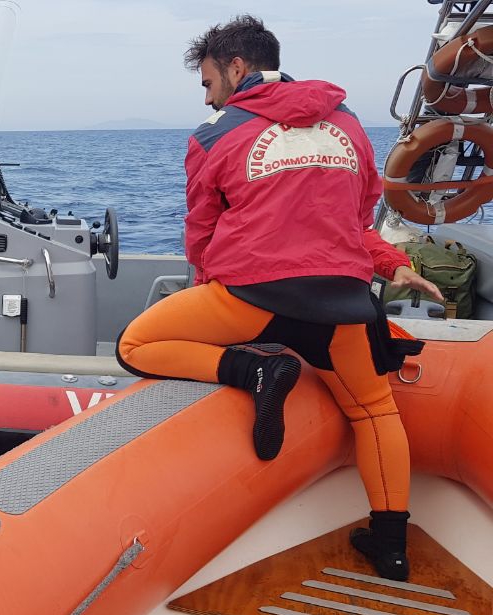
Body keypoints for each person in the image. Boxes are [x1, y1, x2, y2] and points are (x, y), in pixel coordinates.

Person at [115, 15, 442, 581]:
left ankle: (253, 372)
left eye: (208, 82)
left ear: (236, 67)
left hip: (249, 300)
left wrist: (205, 289)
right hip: (340, 307)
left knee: (134, 344)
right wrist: (396, 265)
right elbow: (358, 223)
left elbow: (201, 231)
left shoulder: (213, 135)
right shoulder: (348, 124)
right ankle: (391, 547)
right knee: (374, 411)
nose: (208, 95)